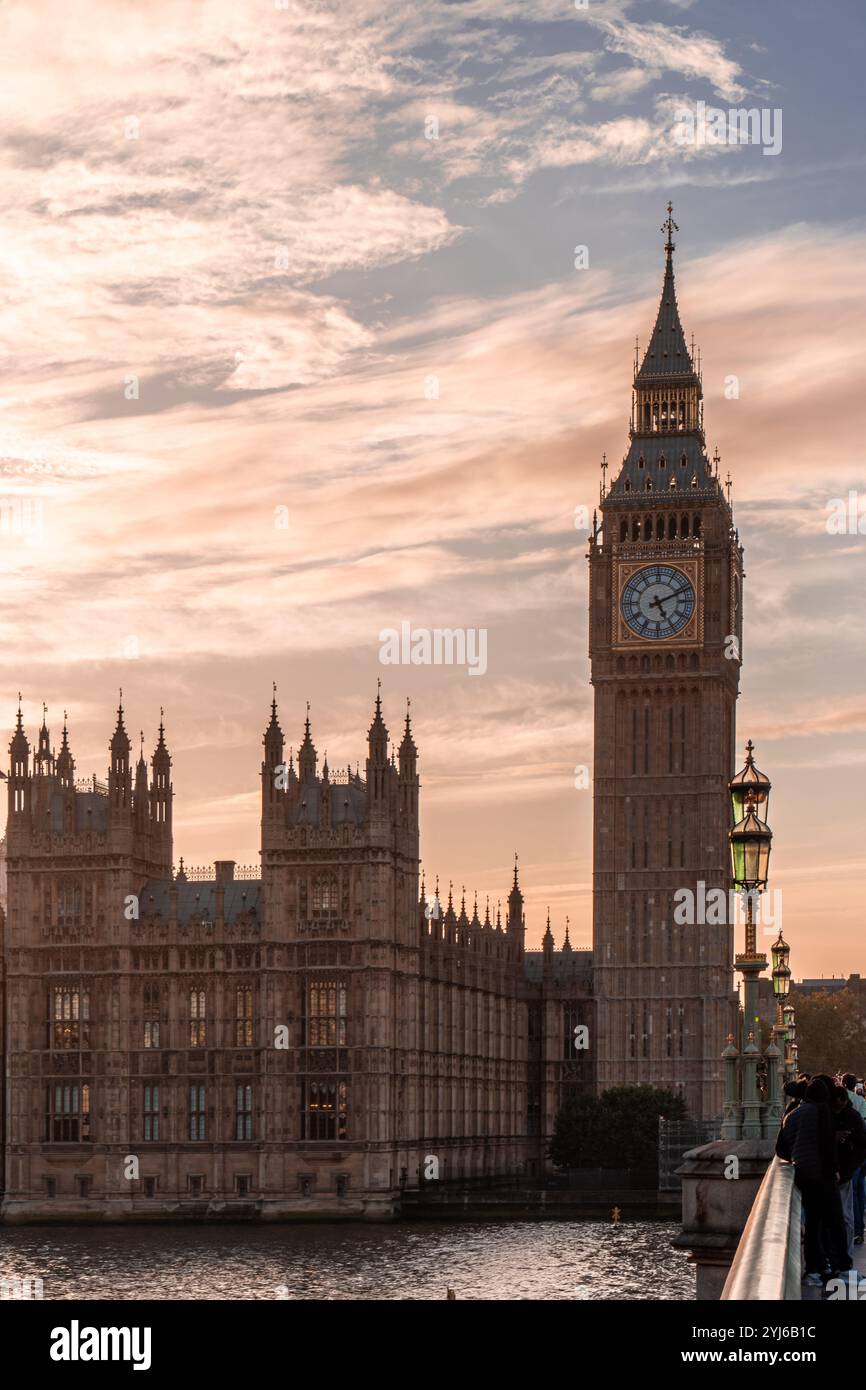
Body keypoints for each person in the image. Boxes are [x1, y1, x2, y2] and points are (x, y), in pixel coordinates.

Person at [776, 1077, 851, 1284]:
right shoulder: (822, 1111)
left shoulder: (791, 1115)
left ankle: (814, 1271)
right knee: (835, 1223)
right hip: (823, 1176)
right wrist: (834, 1170)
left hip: (803, 1175)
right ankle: (843, 1268)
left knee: (813, 1224)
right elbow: (827, 1145)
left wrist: (798, 1156)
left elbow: (781, 1149)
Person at [832, 1084, 866, 1260]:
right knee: (856, 1201)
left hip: (847, 1171)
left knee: (846, 1211)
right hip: (846, 1169)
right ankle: (856, 1235)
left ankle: (844, 1255)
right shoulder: (855, 1111)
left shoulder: (849, 1116)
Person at [842, 1074, 866, 1244]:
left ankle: (854, 1231)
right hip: (862, 1152)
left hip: (850, 1153)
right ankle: (859, 1229)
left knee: (851, 1193)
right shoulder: (861, 1101)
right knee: (859, 1190)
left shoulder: (840, 1102)